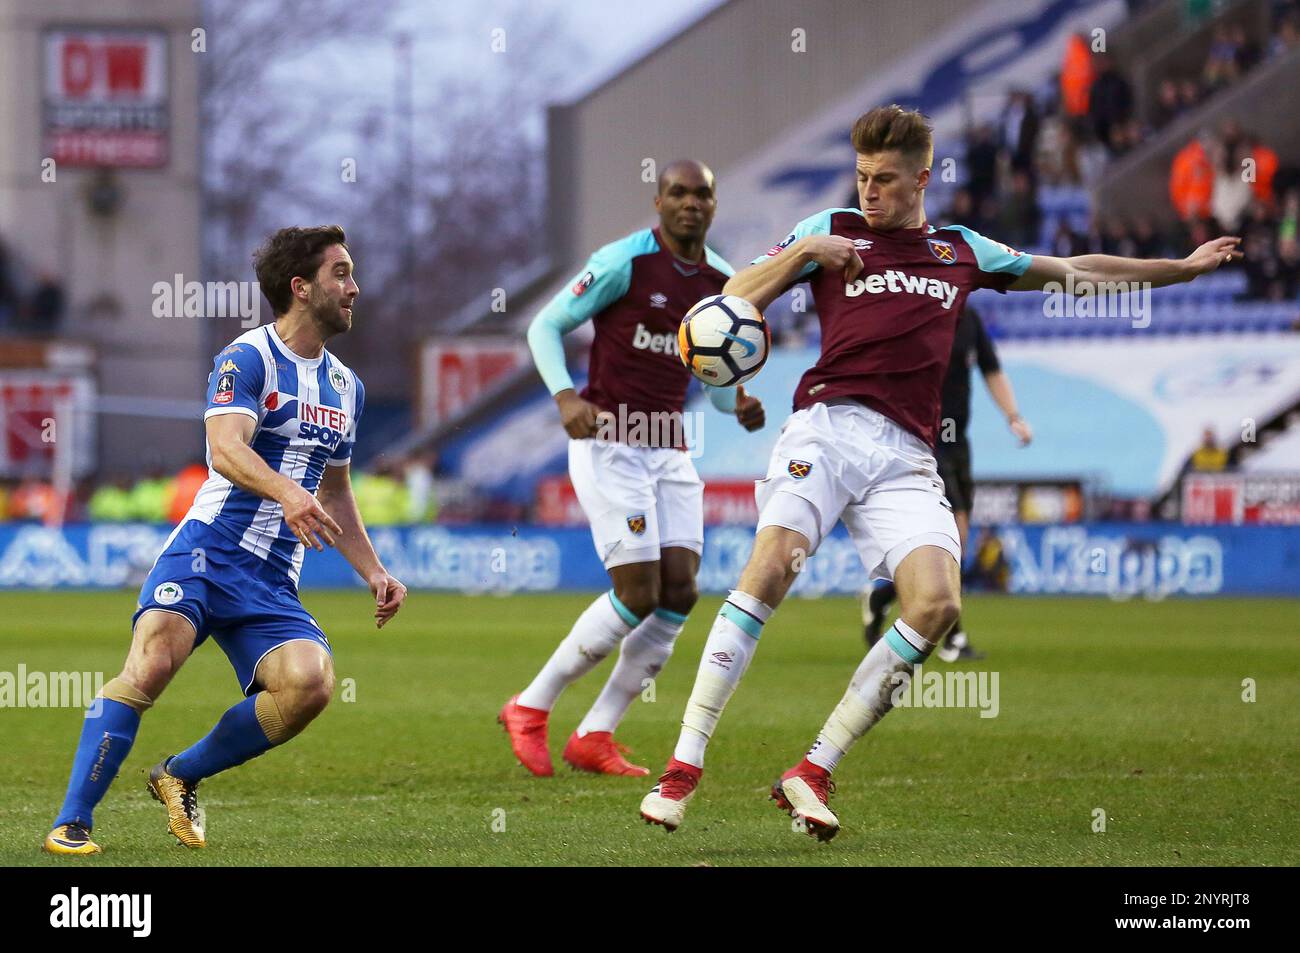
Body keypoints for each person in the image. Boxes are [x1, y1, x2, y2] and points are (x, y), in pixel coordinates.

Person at [637, 104, 1242, 840]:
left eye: (885, 179)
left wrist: (1180, 270)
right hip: (825, 430)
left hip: (907, 457)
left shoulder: (961, 250)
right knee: (769, 569)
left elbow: (1075, 272)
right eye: (862, 177)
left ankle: (813, 769)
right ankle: (683, 767)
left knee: (936, 605)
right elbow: (732, 303)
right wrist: (805, 255)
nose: (869, 192)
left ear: (922, 178)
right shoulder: (829, 228)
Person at [43, 225, 407, 855]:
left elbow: (337, 490)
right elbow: (225, 447)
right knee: (151, 665)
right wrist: (288, 492)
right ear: (301, 287)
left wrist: (372, 569)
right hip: (208, 551)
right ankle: (73, 821)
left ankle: (180, 774)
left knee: (310, 684)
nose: (355, 288)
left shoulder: (347, 387)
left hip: (270, 578)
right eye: (341, 274)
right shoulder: (248, 358)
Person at [499, 160, 765, 777]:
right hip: (610, 441)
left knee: (680, 591)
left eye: (702, 193)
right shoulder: (624, 261)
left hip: (669, 446)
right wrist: (566, 395)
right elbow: (546, 325)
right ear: (659, 201)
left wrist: (738, 403)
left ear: (714, 204)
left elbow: (717, 380)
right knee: (637, 590)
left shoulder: (726, 284)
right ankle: (530, 707)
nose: (691, 203)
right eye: (678, 193)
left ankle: (595, 734)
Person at [862, 305, 1031, 662]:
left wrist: (1013, 416)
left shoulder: (969, 319)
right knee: (957, 532)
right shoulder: (916, 310)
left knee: (951, 545)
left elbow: (991, 369)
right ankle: (953, 638)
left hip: (959, 444)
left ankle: (883, 596)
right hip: (921, 439)